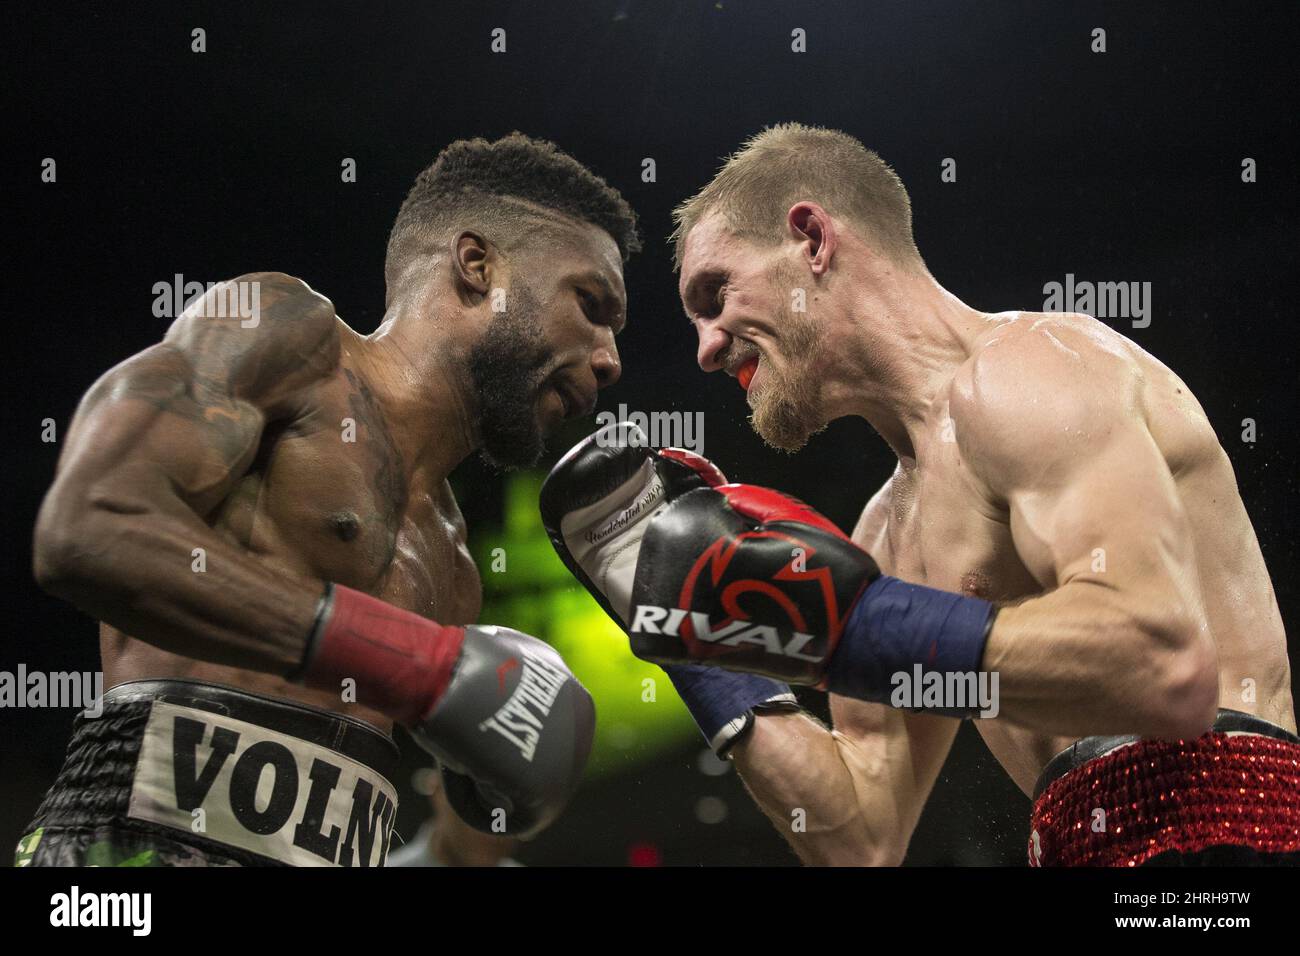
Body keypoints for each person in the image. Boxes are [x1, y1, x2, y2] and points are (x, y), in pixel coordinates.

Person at [540, 123, 1298, 866]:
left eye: (715, 295)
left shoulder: (1034, 371)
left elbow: (1162, 664)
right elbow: (860, 837)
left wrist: (856, 628)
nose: (705, 350)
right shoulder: (883, 538)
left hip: (1228, 836)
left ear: (811, 239)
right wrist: (696, 644)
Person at [22, 132, 638, 867]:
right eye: (591, 303)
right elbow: (88, 528)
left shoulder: (455, 565)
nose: (609, 358)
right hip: (129, 858)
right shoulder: (288, 334)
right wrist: (408, 660)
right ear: (478, 266)